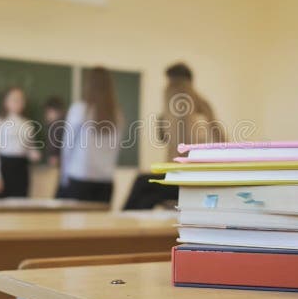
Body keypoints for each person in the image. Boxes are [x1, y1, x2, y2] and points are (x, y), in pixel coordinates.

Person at [124, 62, 224, 209]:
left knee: (142, 183)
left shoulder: (201, 115)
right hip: (180, 176)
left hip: (196, 178)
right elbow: (163, 138)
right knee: (147, 196)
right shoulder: (172, 114)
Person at [58, 67, 122, 203]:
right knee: (99, 224)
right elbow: (116, 150)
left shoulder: (79, 109)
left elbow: (67, 146)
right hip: (105, 181)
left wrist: (63, 177)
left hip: (79, 179)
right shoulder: (117, 115)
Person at [0, 87, 41, 198]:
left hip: (22, 169)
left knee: (20, 207)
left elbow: (29, 147)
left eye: (21, 100)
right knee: (0, 210)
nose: (18, 103)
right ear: (6, 102)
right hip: (4, 168)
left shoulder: (27, 124)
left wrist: (34, 154)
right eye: (14, 99)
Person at [42, 96, 66, 167]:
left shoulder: (55, 126)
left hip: (58, 165)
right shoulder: (66, 124)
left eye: (47, 112)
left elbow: (53, 156)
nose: (45, 116)